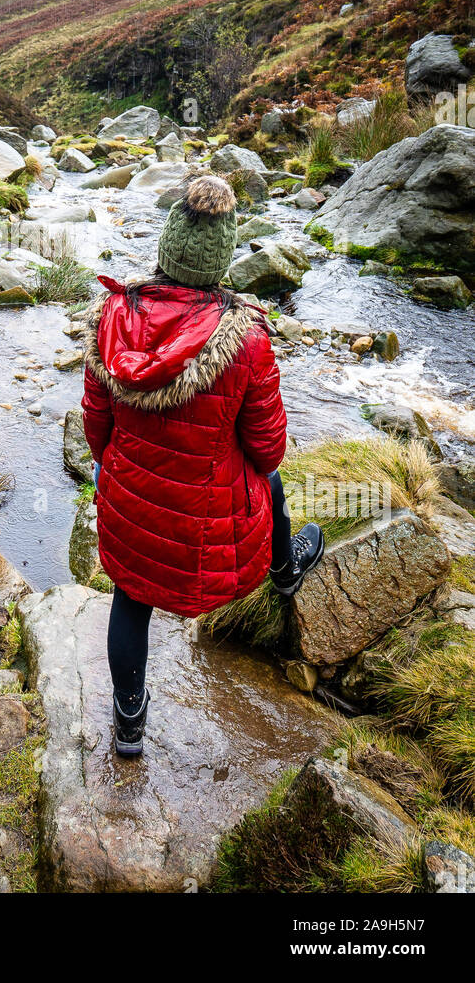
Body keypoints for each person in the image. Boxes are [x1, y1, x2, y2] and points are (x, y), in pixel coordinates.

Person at [81, 174, 324, 756]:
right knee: (273, 481)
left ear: (166, 249)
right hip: (204, 519)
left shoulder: (113, 316)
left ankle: (129, 726)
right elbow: (267, 450)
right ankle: (285, 571)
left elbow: (96, 433)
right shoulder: (247, 339)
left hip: (134, 505)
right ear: (222, 260)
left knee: (129, 597)